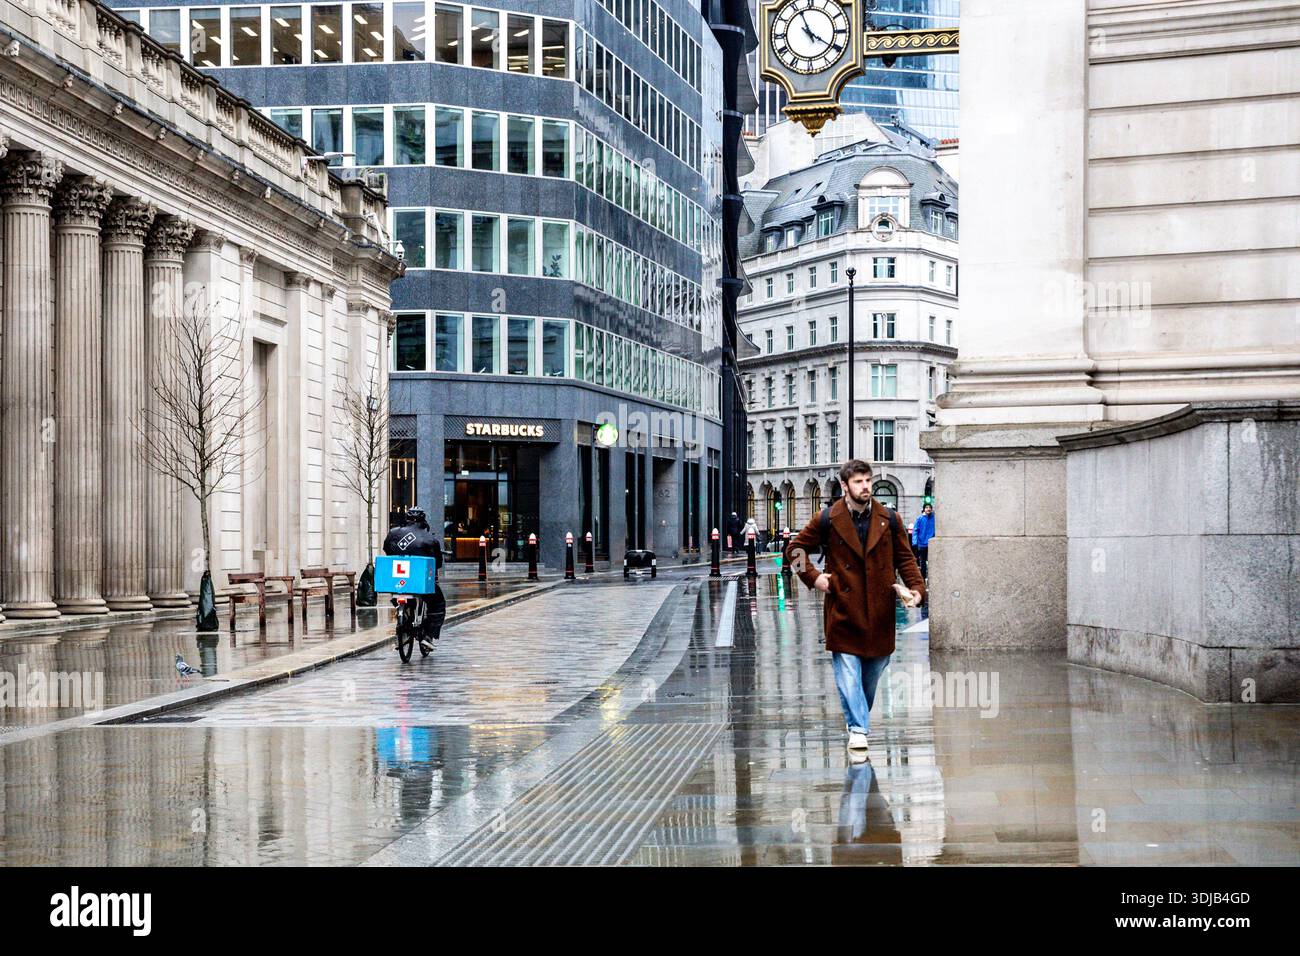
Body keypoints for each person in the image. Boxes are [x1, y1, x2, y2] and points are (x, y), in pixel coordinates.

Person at [787, 459, 925, 752]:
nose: (866, 487)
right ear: (845, 486)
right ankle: (859, 729)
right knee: (848, 671)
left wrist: (917, 590)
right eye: (859, 482)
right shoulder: (827, 518)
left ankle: (855, 717)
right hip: (843, 609)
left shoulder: (890, 518)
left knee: (871, 676)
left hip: (880, 611)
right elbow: (794, 550)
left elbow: (905, 559)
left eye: (868, 481)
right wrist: (814, 578)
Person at [382, 506, 446, 655]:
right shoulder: (430, 538)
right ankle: (428, 636)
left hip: (398, 579)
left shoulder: (393, 533)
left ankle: (402, 620)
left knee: (398, 592)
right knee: (437, 604)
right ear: (423, 520)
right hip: (419, 582)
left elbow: (387, 550)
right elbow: (438, 563)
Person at [912, 503, 935, 580]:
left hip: (931, 544)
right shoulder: (919, 519)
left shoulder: (934, 518)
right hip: (922, 544)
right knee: (923, 562)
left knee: (932, 561)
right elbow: (915, 531)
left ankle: (932, 577)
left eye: (929, 507)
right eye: (926, 507)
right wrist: (914, 543)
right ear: (924, 509)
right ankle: (923, 578)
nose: (928, 509)